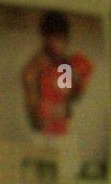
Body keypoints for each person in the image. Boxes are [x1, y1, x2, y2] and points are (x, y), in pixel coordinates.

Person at [21, 9, 93, 137]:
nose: (61, 45)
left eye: (63, 40)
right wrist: (48, 114)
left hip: (66, 134)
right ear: (46, 38)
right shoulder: (33, 70)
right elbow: (35, 119)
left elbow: (72, 99)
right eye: (56, 39)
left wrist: (78, 82)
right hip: (44, 136)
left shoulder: (65, 64)